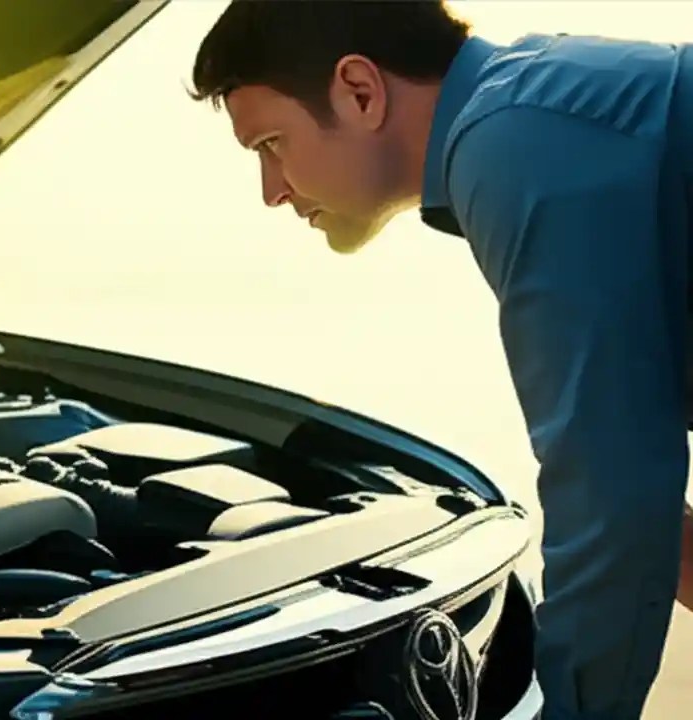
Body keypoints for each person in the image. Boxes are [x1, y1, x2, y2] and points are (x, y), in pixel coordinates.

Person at [186, 2, 693, 719]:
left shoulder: (514, 143)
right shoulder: (539, 101)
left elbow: (608, 487)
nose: (272, 190)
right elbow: (629, 492)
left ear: (360, 91)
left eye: (272, 142)